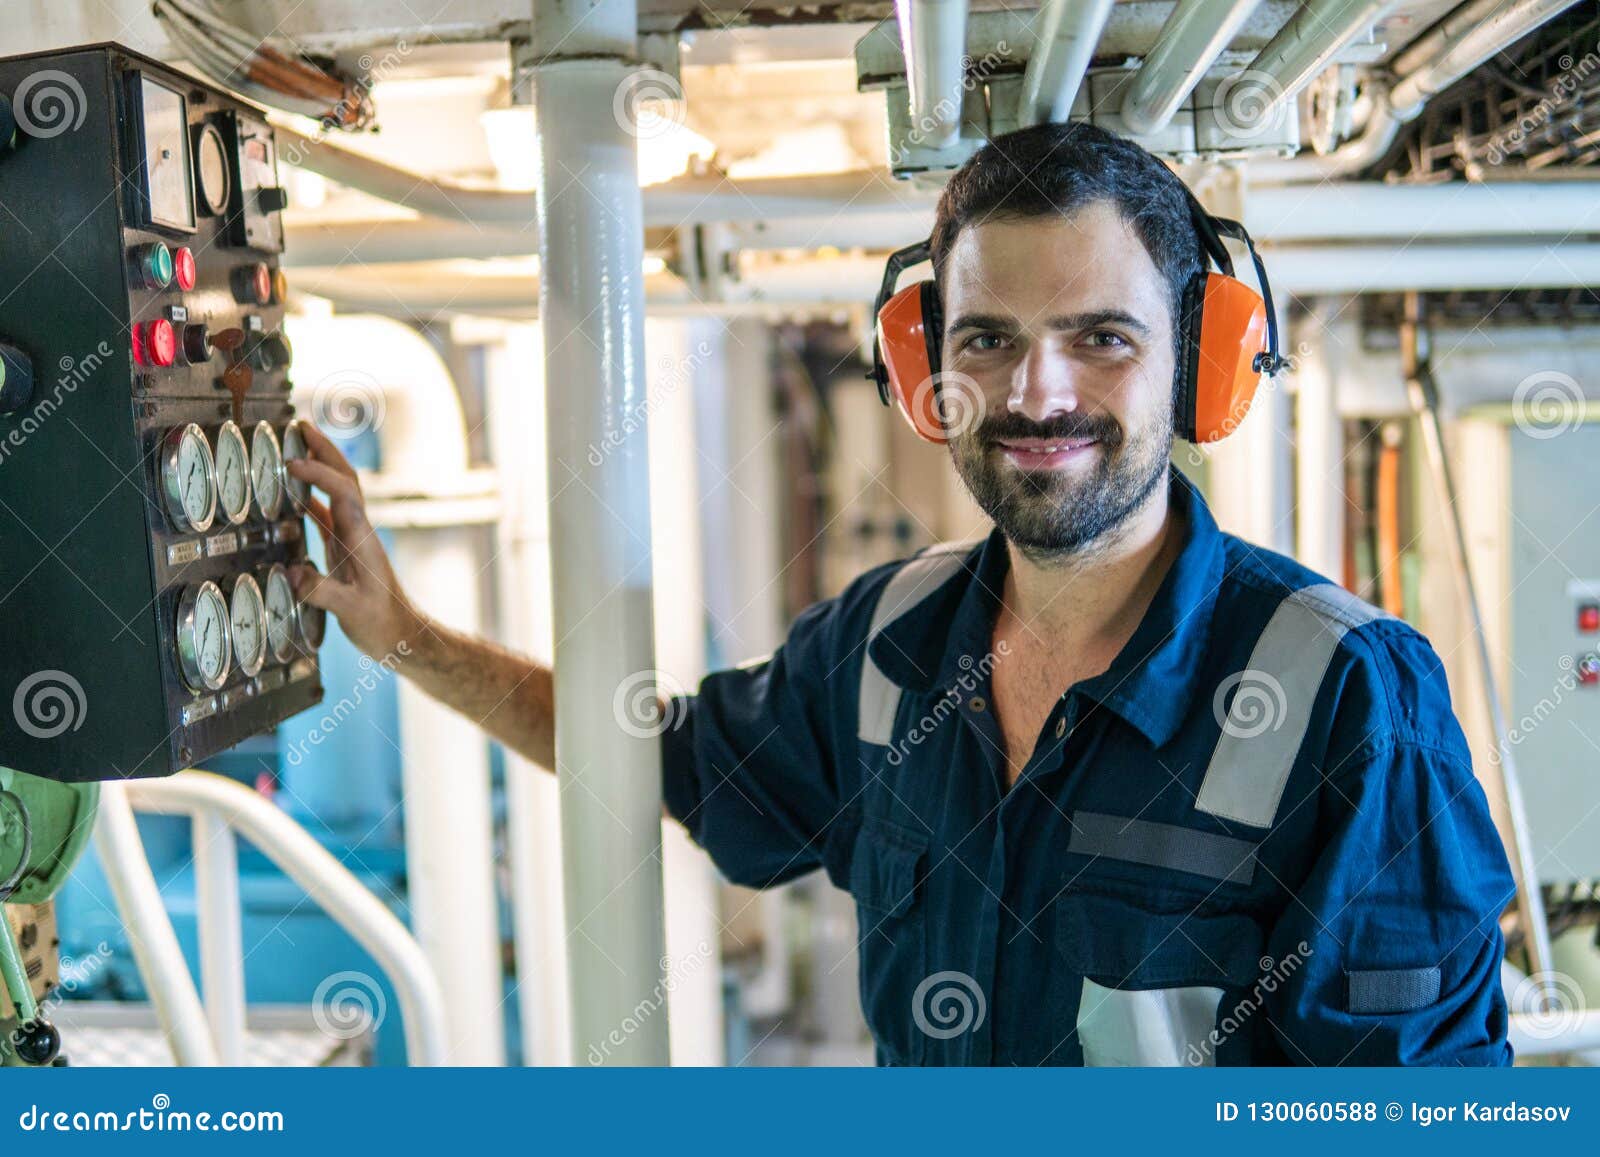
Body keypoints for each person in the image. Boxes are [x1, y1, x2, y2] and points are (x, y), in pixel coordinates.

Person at [286, 121, 1515, 1067]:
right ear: (930, 373)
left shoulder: (1349, 697)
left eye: (1101, 337)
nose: (1037, 393)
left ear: (1200, 363)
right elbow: (653, 754)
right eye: (987, 338)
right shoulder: (882, 644)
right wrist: (403, 637)